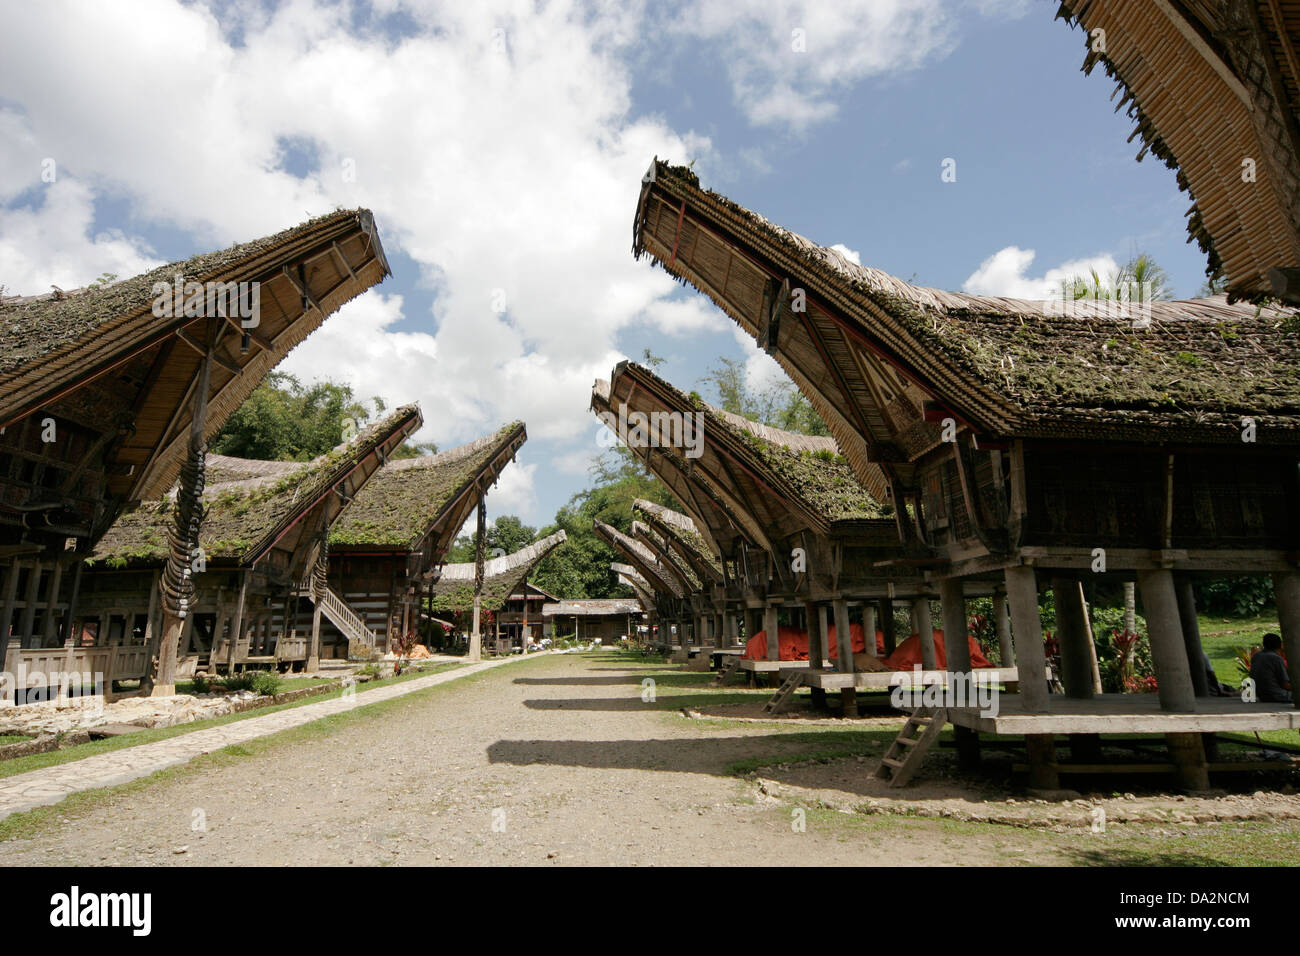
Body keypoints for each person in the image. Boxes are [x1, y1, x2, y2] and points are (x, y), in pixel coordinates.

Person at [1249, 633, 1292, 703]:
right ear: (1280, 645)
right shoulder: (1276, 659)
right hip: (1277, 695)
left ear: (1263, 644)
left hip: (1261, 695)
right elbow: (1285, 685)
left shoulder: (1256, 656)